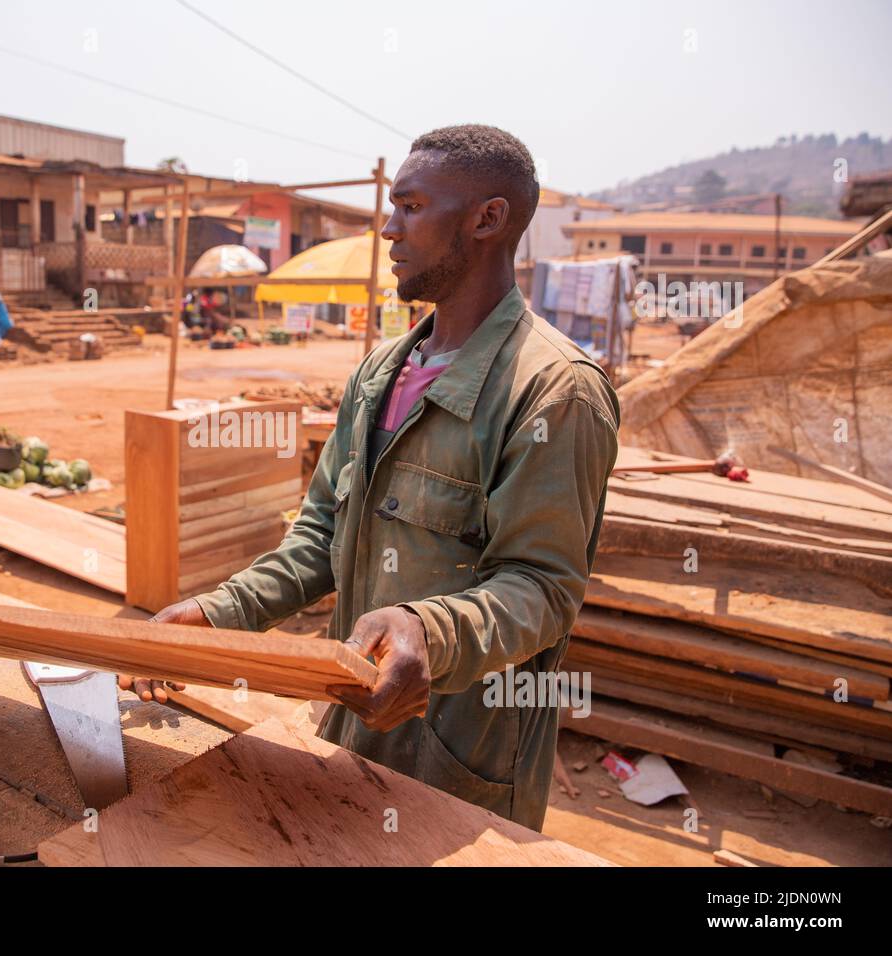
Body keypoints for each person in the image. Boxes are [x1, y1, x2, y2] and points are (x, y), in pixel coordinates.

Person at [121, 125, 619, 831]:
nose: (389, 229)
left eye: (411, 207)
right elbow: (320, 536)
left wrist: (426, 630)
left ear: (487, 219)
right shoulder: (382, 373)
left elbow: (542, 588)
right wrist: (219, 612)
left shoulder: (555, 391)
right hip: (353, 729)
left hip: (461, 763)